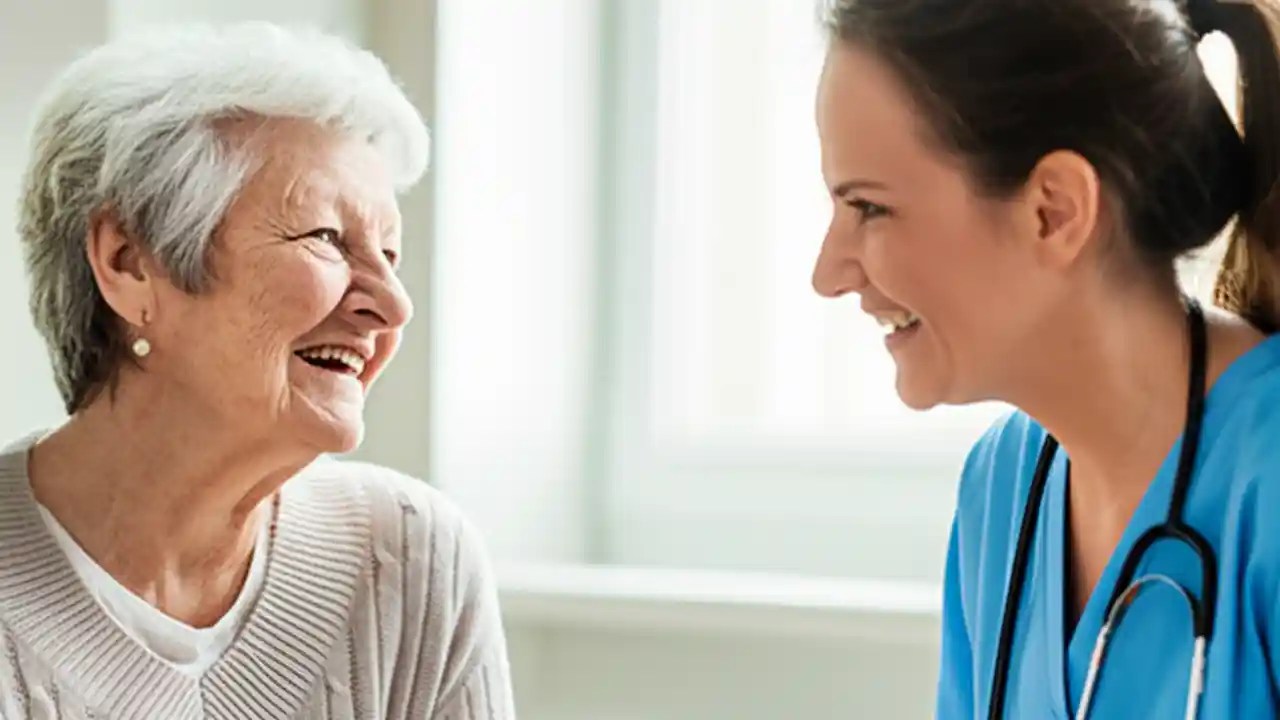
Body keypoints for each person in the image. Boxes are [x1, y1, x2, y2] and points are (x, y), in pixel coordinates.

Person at [0, 22, 514, 719]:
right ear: (130, 263)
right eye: (326, 238)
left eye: (389, 255)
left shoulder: (410, 561)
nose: (393, 306)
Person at [812, 0, 1280, 718]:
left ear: (1054, 211)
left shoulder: (1266, 479)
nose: (829, 273)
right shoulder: (1002, 487)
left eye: (869, 208)